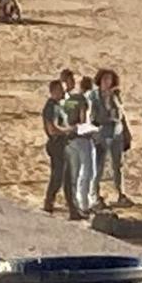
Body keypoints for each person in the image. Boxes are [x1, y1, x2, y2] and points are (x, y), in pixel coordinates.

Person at [90, 69, 134, 209]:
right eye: (105, 79)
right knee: (99, 166)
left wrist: (127, 131)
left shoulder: (116, 96)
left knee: (118, 165)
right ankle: (95, 196)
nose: (107, 82)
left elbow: (122, 114)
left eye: (109, 79)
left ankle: (121, 193)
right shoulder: (94, 96)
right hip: (102, 134)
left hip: (117, 133)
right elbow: (93, 117)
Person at [42, 80, 82, 220]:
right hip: (57, 144)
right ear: (54, 91)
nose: (64, 93)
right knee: (61, 178)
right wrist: (69, 130)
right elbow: (52, 129)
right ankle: (56, 204)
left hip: (62, 144)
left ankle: (67, 207)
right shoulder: (51, 107)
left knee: (64, 177)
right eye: (61, 90)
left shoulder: (59, 105)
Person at [61, 76, 98, 216]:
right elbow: (84, 120)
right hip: (83, 138)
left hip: (70, 138)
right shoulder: (84, 100)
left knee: (74, 173)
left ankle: (74, 203)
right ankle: (85, 203)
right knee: (88, 172)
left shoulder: (69, 100)